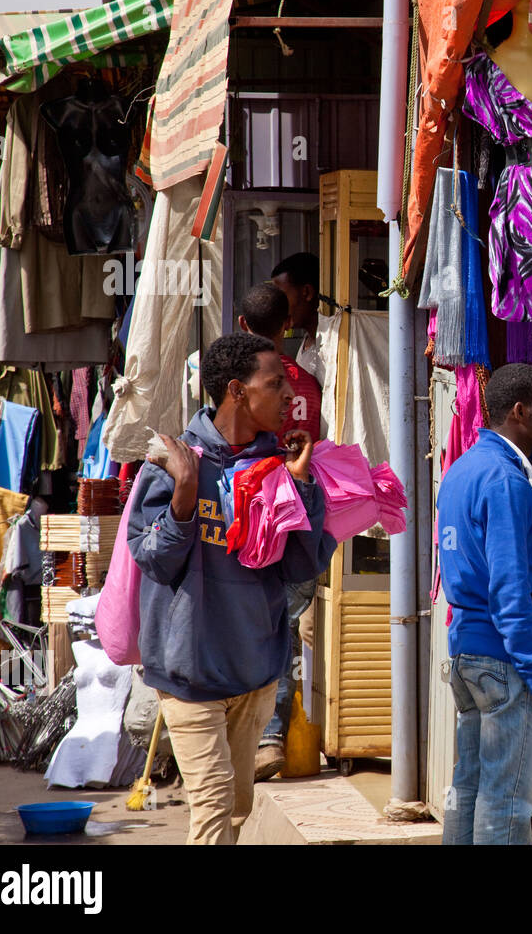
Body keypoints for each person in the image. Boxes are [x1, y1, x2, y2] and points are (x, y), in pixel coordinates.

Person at [128, 332, 336, 844]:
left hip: (255, 669)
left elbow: (299, 569)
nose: (291, 394)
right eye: (276, 383)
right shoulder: (175, 459)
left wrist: (303, 487)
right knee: (217, 804)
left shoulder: (279, 467)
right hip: (188, 669)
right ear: (238, 392)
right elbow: (151, 558)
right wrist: (184, 491)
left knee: (239, 805)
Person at [435, 363, 532, 845]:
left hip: (468, 651)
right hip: (503, 657)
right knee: (507, 797)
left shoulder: (462, 470)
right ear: (519, 411)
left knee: (469, 785)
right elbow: (509, 586)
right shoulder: (505, 481)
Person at [236, 282, 324, 780]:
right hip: (296, 515)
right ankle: (268, 735)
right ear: (287, 325)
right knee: (283, 631)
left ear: (244, 325)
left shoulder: (240, 384)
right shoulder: (307, 383)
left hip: (252, 517)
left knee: (246, 624)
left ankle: (251, 735)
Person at [270, 252, 326, 386]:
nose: (277, 306)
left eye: (282, 297)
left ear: (307, 292)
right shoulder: (307, 342)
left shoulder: (331, 346)